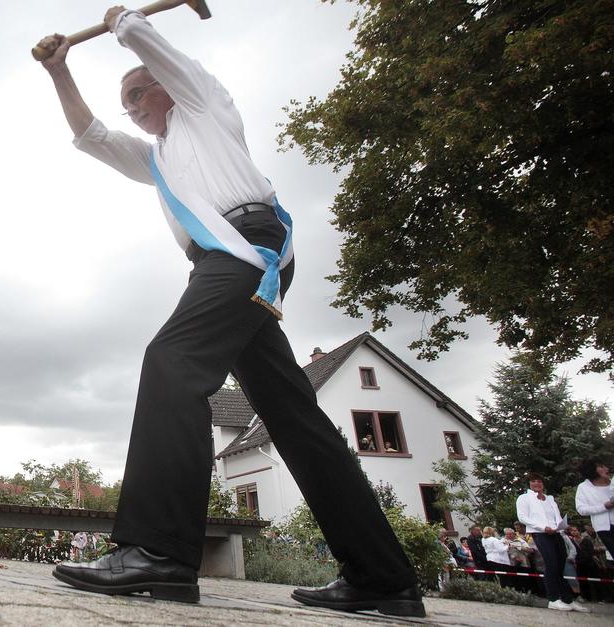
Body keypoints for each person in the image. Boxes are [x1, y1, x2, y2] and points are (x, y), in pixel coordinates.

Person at [36, 7, 423, 616]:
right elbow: (92, 137)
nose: (131, 106)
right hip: (226, 261)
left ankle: (159, 552)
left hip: (249, 247)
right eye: (127, 100)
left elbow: (153, 48)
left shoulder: (204, 105)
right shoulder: (158, 157)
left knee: (173, 360)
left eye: (138, 92)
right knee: (291, 414)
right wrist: (60, 71)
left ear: (165, 86)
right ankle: (382, 576)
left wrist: (123, 20)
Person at [517, 472, 590, 612]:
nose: (537, 484)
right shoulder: (524, 498)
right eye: (533, 482)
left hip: (556, 533)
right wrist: (543, 527)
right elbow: (523, 517)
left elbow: (556, 515)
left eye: (539, 481)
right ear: (529, 484)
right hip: (541, 533)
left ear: (543, 484)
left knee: (561, 564)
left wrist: (561, 525)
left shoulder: (549, 499)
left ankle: (568, 599)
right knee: (551, 565)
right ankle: (553, 598)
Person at [576, 459, 614, 559]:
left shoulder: (613, 483)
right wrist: (604, 507)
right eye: (601, 467)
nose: (606, 469)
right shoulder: (584, 487)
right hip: (605, 529)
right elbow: (581, 510)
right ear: (591, 470)